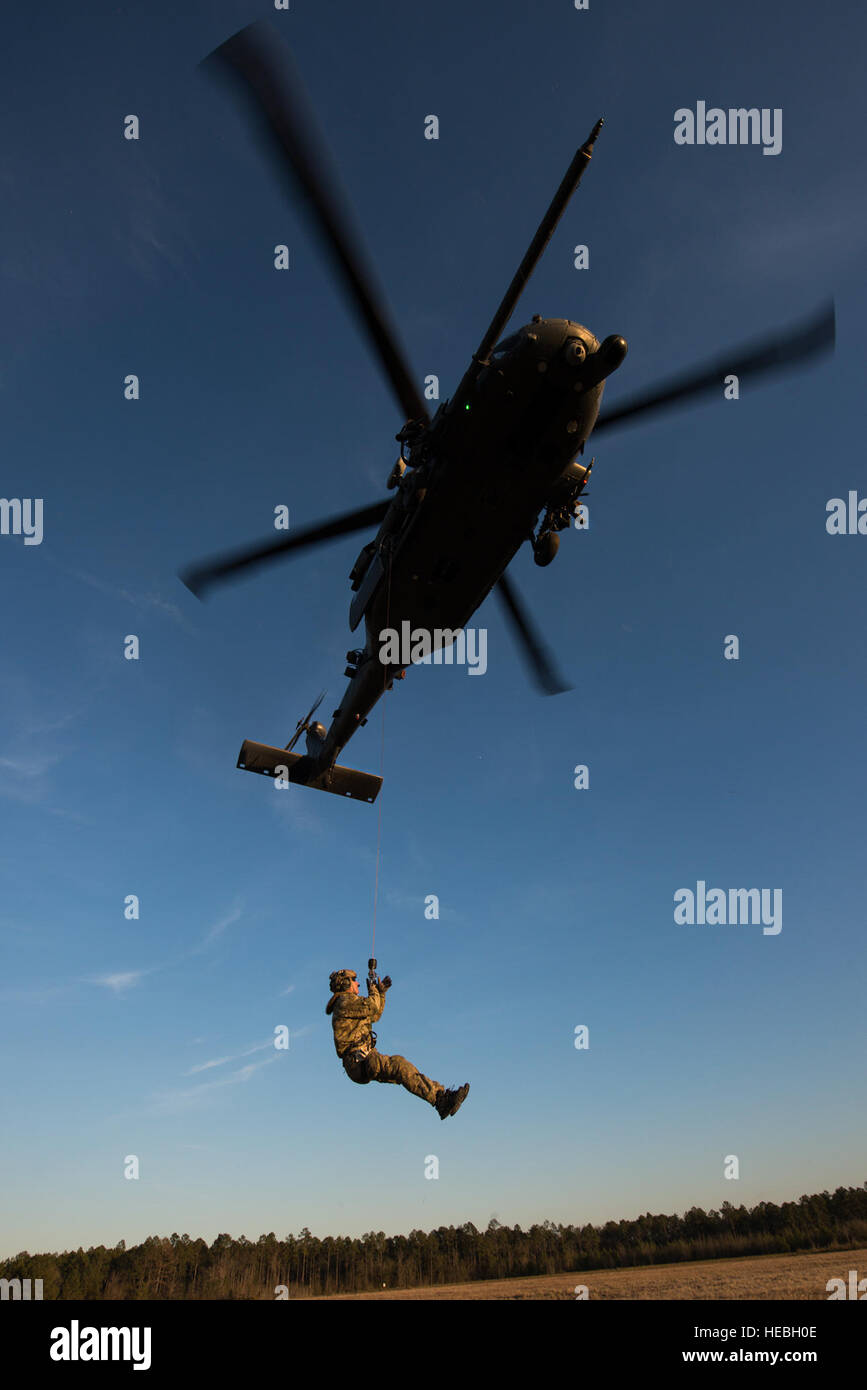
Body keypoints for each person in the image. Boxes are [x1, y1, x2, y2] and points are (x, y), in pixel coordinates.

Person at [326, 968, 469, 1120]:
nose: (358, 983)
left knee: (402, 1070)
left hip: (363, 1059)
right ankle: (440, 1100)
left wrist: (381, 993)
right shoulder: (344, 1001)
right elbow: (372, 1006)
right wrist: (374, 991)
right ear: (346, 983)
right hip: (359, 1061)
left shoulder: (350, 1003)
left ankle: (441, 1097)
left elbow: (374, 1015)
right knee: (399, 1066)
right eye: (354, 980)